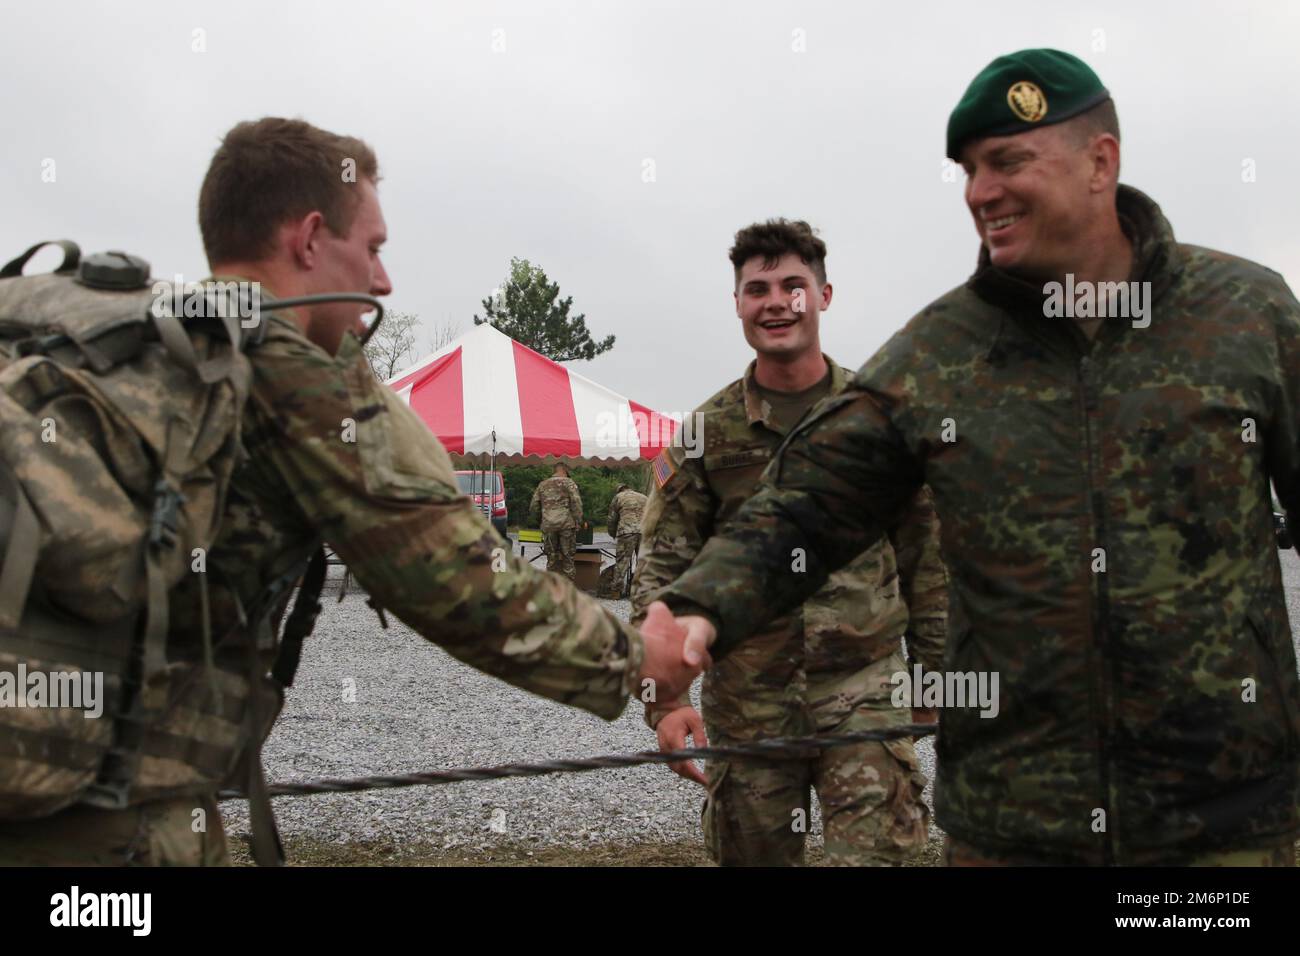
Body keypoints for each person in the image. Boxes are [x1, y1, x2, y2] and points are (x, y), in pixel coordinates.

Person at [653, 50, 1300, 866]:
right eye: (967, 170)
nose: (979, 192)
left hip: (1225, 822)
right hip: (1013, 824)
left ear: (1102, 162)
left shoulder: (1248, 314)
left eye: (1007, 162)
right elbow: (805, 508)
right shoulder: (935, 355)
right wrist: (694, 613)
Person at [0, 117, 700, 866]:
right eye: (371, 248)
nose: (383, 279)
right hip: (99, 826)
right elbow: (455, 579)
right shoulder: (283, 373)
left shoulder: (134, 339)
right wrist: (638, 658)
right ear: (308, 239)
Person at [633, 219, 947, 866]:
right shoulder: (704, 436)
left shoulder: (880, 420)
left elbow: (928, 560)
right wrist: (664, 701)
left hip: (864, 696)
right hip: (749, 705)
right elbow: (661, 571)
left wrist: (936, 681)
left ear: (823, 297)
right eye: (757, 289)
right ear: (738, 305)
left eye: (792, 286)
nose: (775, 302)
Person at [530, 463, 583, 580]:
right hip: (566, 525)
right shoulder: (569, 483)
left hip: (548, 525)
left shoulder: (542, 484)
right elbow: (577, 503)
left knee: (551, 558)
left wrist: (541, 519)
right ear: (565, 469)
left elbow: (534, 506)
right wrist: (578, 520)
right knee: (568, 557)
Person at [605, 483, 647, 598]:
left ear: (619, 490)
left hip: (627, 531)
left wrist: (613, 534)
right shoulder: (644, 497)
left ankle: (616, 592)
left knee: (622, 562)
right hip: (644, 531)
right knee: (643, 562)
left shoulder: (618, 497)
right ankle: (642, 591)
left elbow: (612, 519)